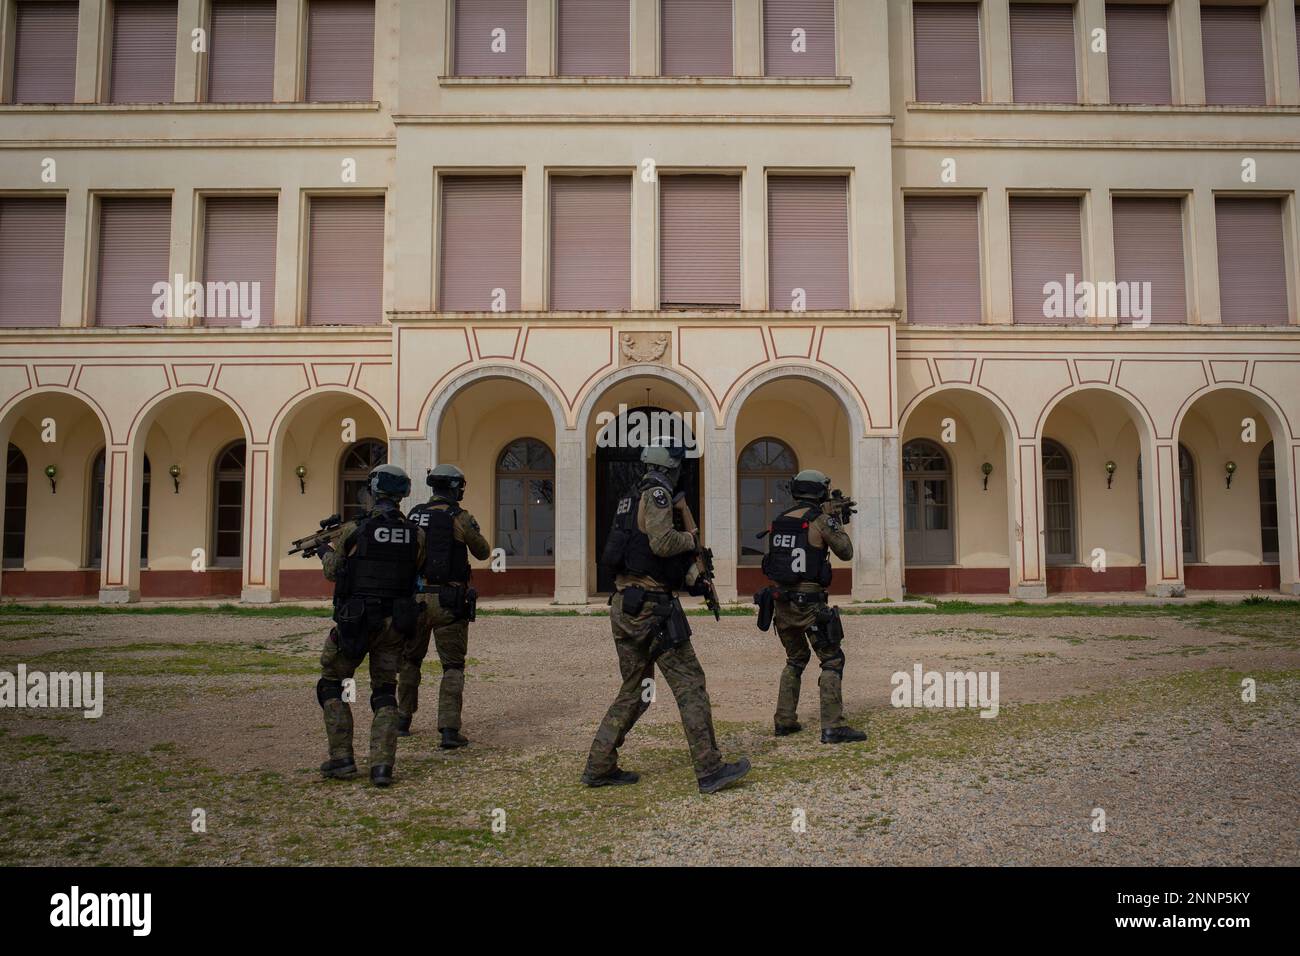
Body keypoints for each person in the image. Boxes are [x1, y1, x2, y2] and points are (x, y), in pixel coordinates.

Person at [583, 439, 751, 794]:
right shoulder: (658, 495)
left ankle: (599, 765)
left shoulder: (631, 497)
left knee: (636, 691)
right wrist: (691, 541)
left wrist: (694, 579)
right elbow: (662, 543)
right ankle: (710, 769)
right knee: (691, 685)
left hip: (625, 604)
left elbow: (648, 553)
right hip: (652, 610)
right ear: (671, 467)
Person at [314, 464, 424, 787]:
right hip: (394, 622)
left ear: (375, 491)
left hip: (356, 620)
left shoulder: (354, 529)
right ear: (402, 494)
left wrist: (324, 551)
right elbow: (416, 568)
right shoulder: (416, 534)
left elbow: (334, 571)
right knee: (385, 691)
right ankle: (382, 767)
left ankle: (342, 758)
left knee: (332, 683)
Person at [759, 469, 866, 744]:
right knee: (832, 660)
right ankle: (832, 726)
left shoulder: (780, 520)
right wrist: (834, 520)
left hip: (782, 602)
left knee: (795, 660)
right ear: (820, 492)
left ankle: (784, 720)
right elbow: (846, 551)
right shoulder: (820, 521)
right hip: (810, 605)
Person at [401, 463, 491, 749]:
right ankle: (449, 730)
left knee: (410, 661)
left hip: (414, 597)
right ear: (454, 488)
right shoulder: (458, 517)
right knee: (452, 666)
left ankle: (403, 719)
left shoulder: (414, 514)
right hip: (447, 599)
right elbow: (482, 550)